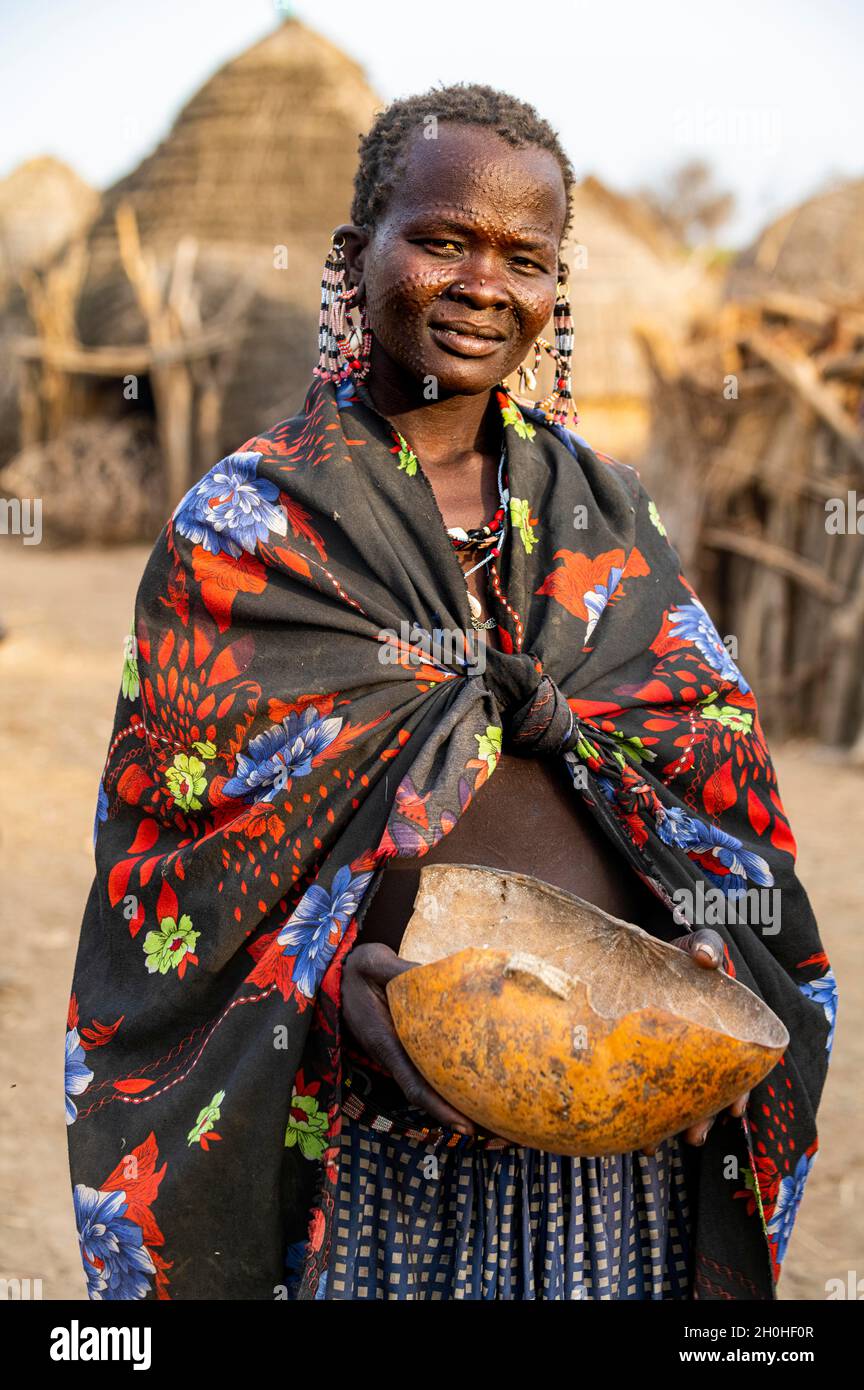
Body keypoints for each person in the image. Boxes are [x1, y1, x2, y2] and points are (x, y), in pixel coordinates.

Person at [66, 85, 834, 1302]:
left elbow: (704, 797)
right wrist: (342, 980)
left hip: (605, 1145)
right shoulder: (253, 522)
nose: (485, 283)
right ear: (354, 253)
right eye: (441, 240)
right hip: (363, 1132)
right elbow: (185, 854)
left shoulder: (605, 515)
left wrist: (712, 951)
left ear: (555, 289)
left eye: (525, 257)